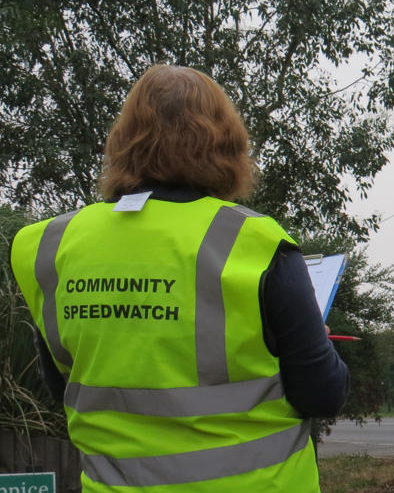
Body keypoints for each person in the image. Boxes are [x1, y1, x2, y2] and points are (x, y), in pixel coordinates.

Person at [11, 65, 350, 492]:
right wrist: (315, 343)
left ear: (122, 141)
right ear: (226, 143)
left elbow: (65, 385)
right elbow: (322, 394)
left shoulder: (49, 246)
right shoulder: (254, 243)